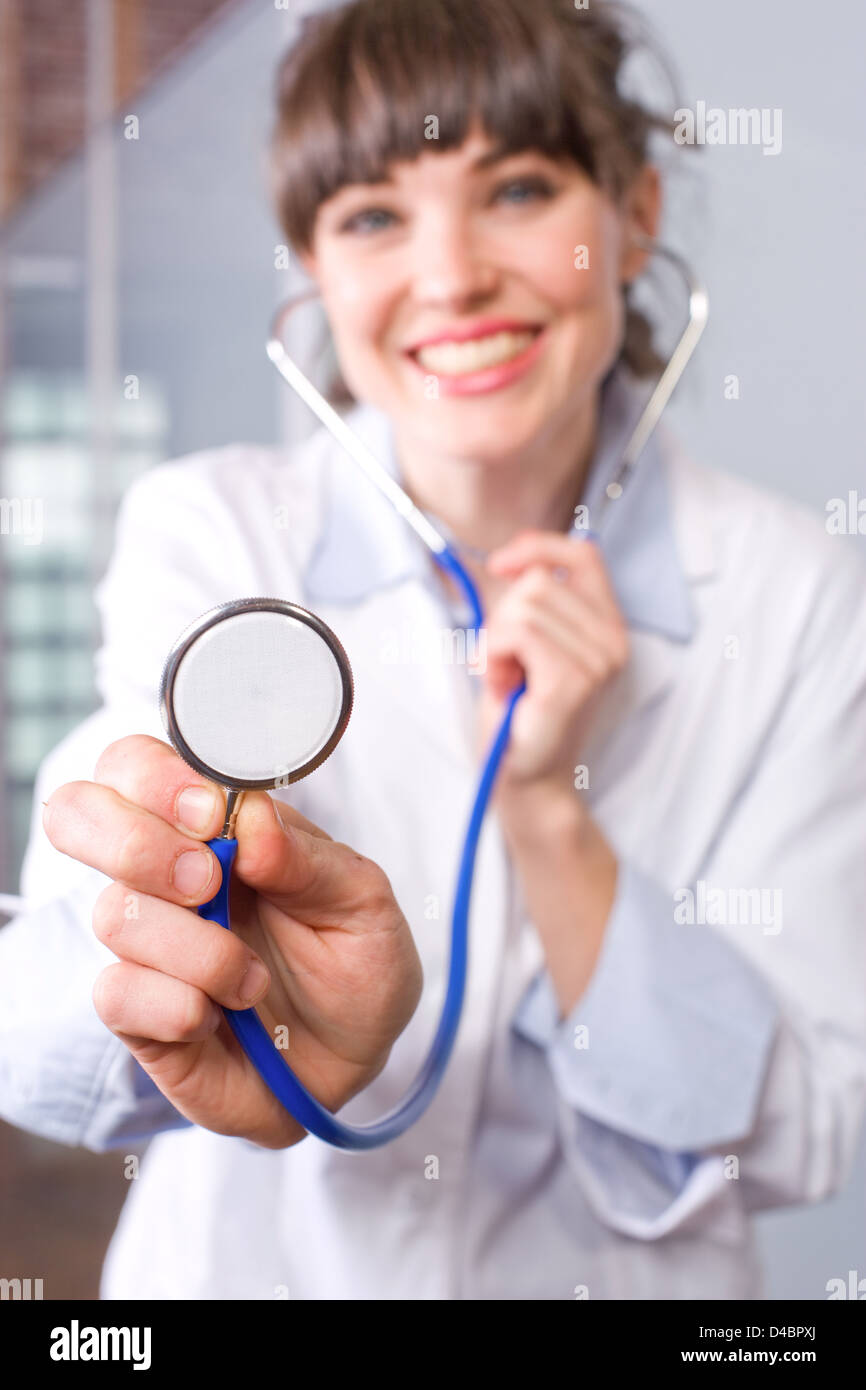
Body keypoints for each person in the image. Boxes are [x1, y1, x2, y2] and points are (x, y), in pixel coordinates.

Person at [1, 0, 865, 1301]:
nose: (450, 274)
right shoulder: (214, 528)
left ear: (633, 216)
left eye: (516, 187)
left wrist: (547, 818)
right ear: (311, 267)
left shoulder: (795, 591)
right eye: (370, 216)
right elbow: (41, 1031)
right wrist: (188, 958)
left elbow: (809, 1119)